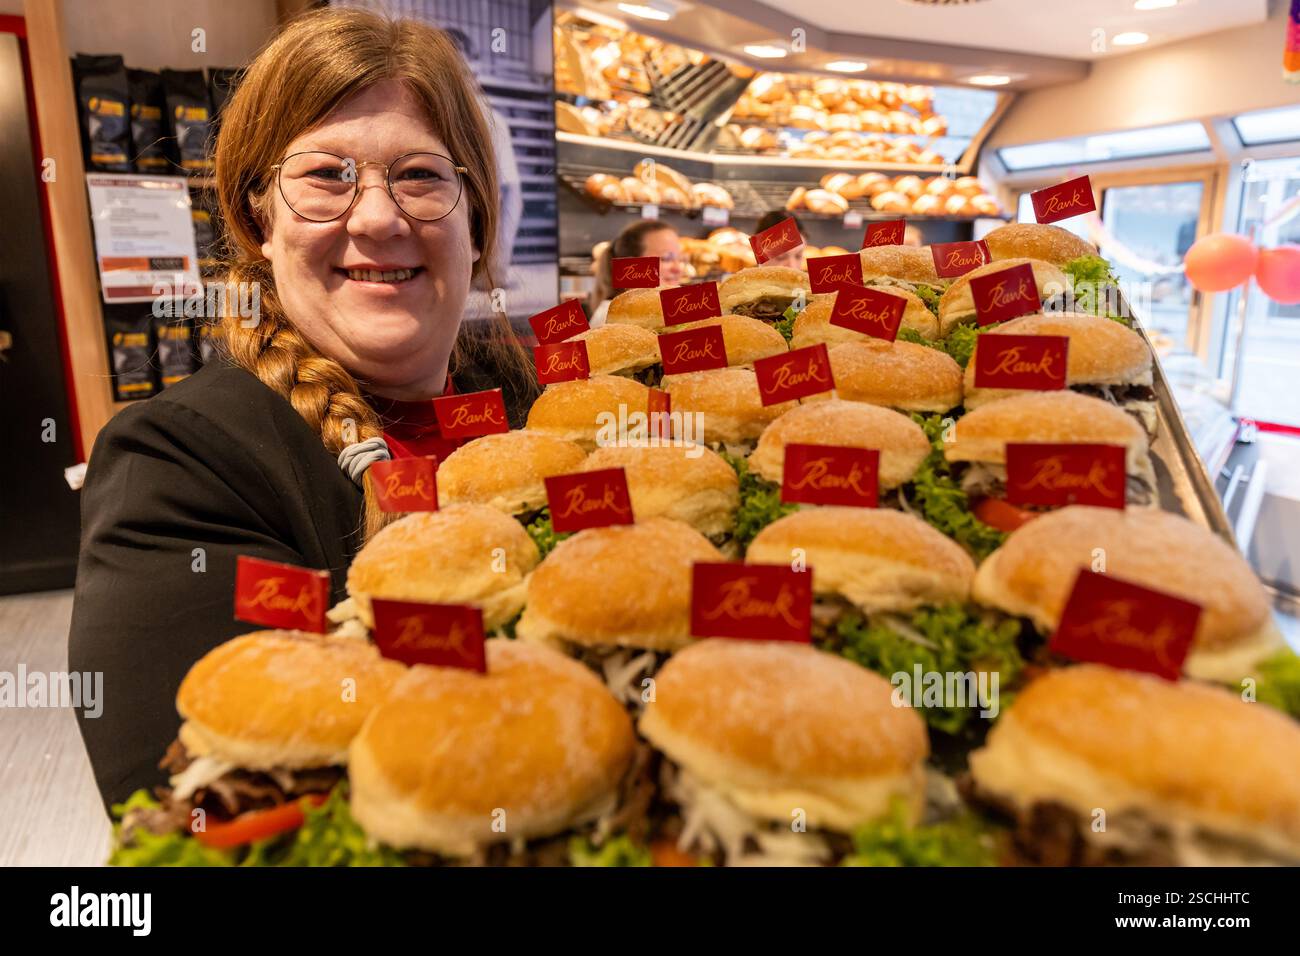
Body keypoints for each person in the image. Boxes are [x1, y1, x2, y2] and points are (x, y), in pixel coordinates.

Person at [67, 8, 539, 808]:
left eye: (421, 176)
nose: (380, 217)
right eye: (327, 176)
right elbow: (208, 808)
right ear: (259, 219)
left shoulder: (549, 399)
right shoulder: (179, 464)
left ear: (476, 214)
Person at [587, 219, 686, 326]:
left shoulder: (659, 315)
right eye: (666, 258)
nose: (678, 268)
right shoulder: (613, 318)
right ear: (631, 266)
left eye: (681, 259)